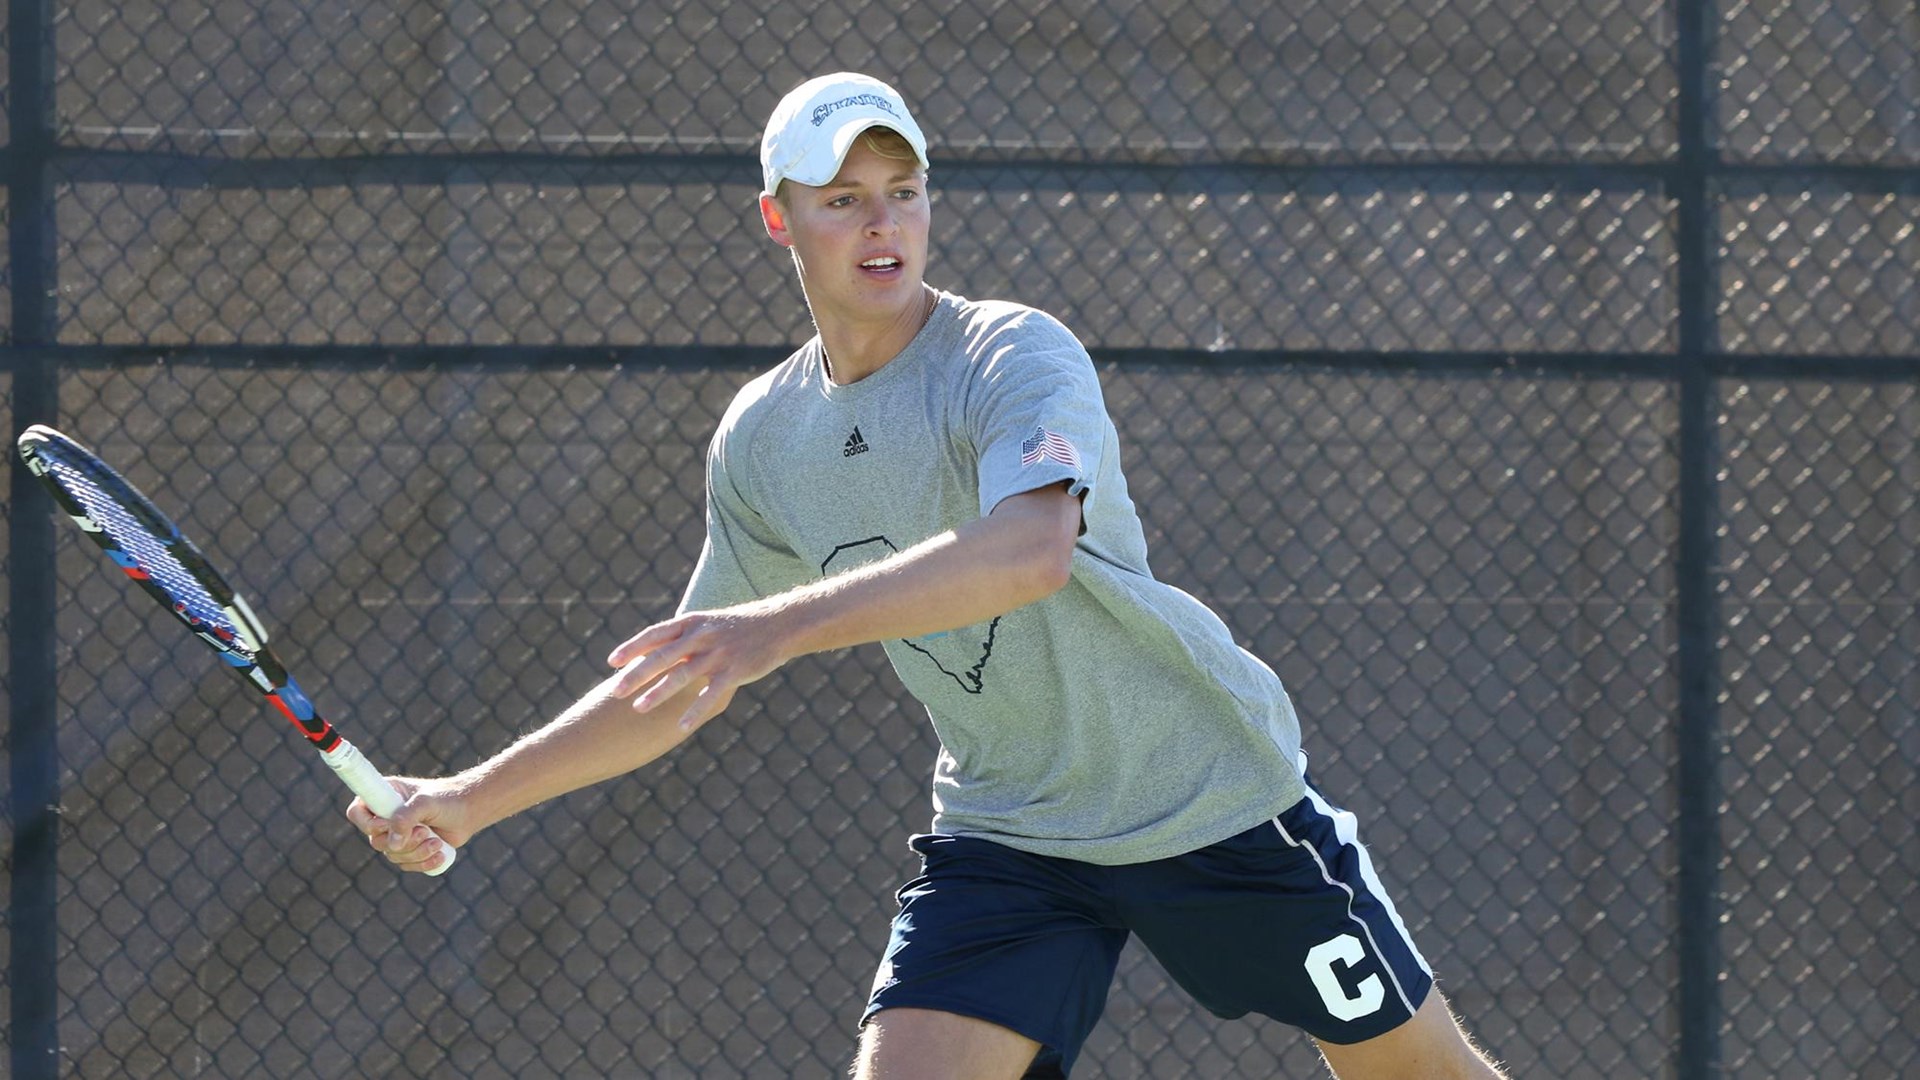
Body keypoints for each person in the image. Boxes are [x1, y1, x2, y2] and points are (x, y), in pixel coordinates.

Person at [348, 72, 1510, 1080]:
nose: (881, 222)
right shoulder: (765, 437)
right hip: (1013, 833)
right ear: (779, 218)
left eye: (902, 191)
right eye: (842, 198)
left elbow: (1030, 553)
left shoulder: (1011, 353)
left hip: (1208, 799)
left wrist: (774, 628)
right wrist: (469, 800)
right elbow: (686, 674)